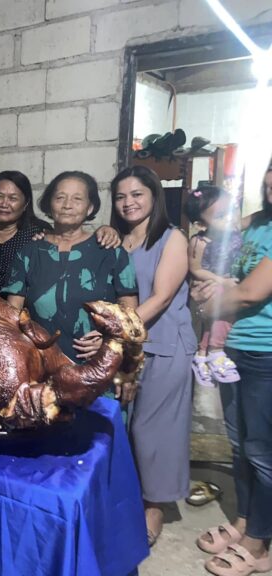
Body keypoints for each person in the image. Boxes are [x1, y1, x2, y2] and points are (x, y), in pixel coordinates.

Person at [110, 165, 197, 547]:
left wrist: (111, 332)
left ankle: (154, 506)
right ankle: (129, 496)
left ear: (153, 196)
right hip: (130, 347)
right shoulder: (119, 239)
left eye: (137, 194)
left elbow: (160, 298)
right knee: (126, 426)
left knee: (152, 431)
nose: (128, 202)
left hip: (165, 344)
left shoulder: (172, 238)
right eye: (121, 196)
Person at [192, 165, 272, 575]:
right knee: (241, 446)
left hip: (267, 352)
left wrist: (208, 302)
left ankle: (260, 545)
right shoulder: (257, 223)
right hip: (238, 347)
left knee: (263, 454)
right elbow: (218, 223)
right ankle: (244, 522)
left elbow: (251, 292)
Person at [2, 170, 138, 364]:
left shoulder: (111, 251)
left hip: (97, 363)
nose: (67, 205)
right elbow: (12, 313)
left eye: (77, 199)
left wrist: (111, 341)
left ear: (90, 208)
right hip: (41, 364)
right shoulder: (29, 253)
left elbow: (129, 310)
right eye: (60, 198)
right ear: (50, 204)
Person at [0, 170, 121, 295]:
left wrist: (105, 229)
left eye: (13, 198)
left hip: (23, 322)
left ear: (26, 204)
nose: (4, 204)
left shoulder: (37, 233)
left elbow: (69, 235)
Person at [184, 185, 243, 387]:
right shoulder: (201, 242)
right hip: (211, 282)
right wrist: (223, 281)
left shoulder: (236, 232)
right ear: (201, 223)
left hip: (226, 281)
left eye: (231, 210)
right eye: (220, 215)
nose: (229, 218)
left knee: (215, 319)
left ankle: (202, 354)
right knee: (223, 311)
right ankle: (216, 350)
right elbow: (196, 269)